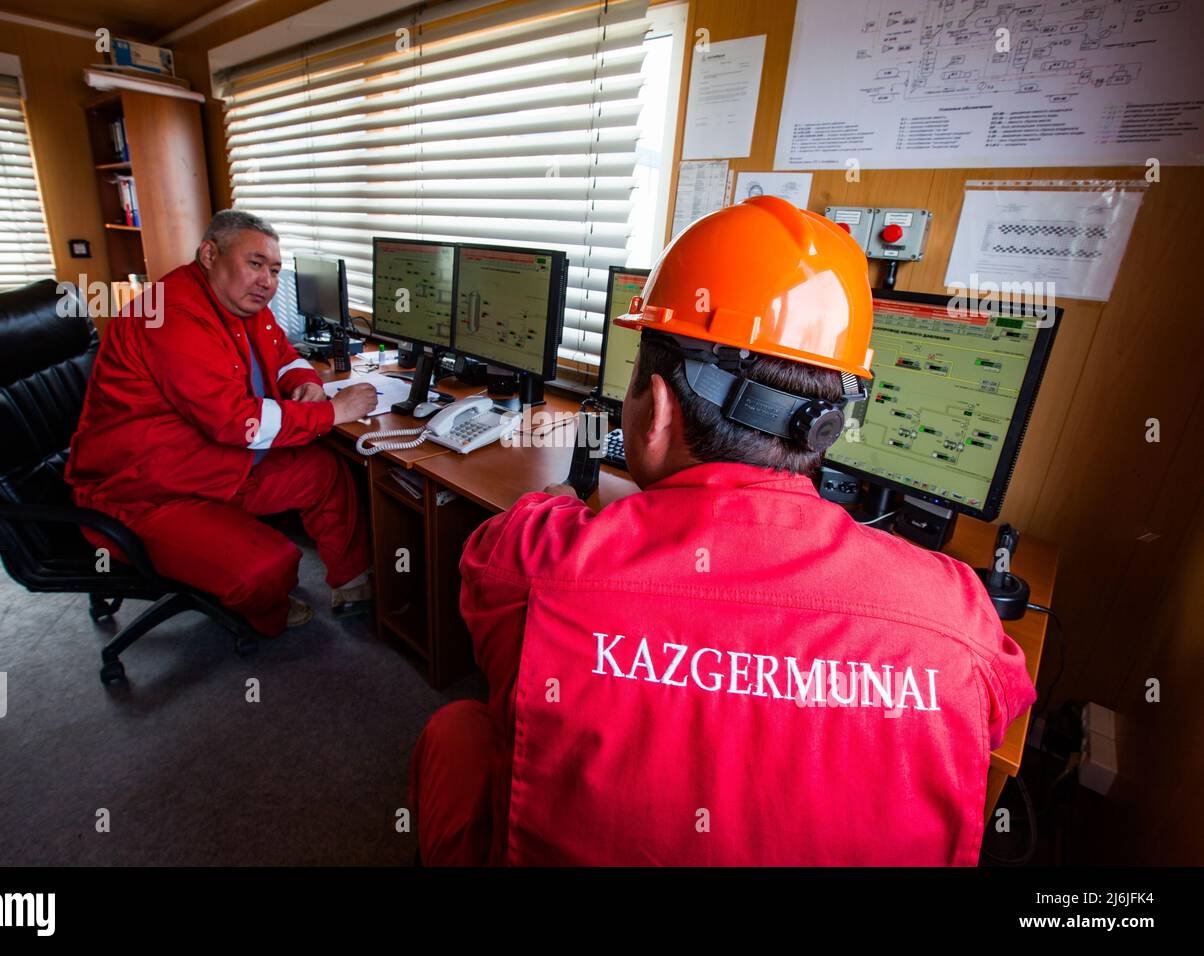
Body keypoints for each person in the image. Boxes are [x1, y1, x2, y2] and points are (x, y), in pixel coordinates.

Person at [409, 196, 1036, 865]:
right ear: (827, 423)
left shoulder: (537, 560)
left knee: (458, 729)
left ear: (658, 413)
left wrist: (565, 499)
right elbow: (997, 707)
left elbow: (488, 568)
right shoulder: (958, 617)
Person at [66, 210, 377, 635]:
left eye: (273, 269)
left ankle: (351, 581)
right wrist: (333, 412)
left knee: (325, 472)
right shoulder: (171, 313)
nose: (267, 280)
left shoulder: (243, 302)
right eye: (255, 264)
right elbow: (235, 421)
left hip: (217, 464)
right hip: (149, 491)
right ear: (210, 254)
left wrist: (305, 382)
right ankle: (264, 610)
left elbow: (282, 353)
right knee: (268, 569)